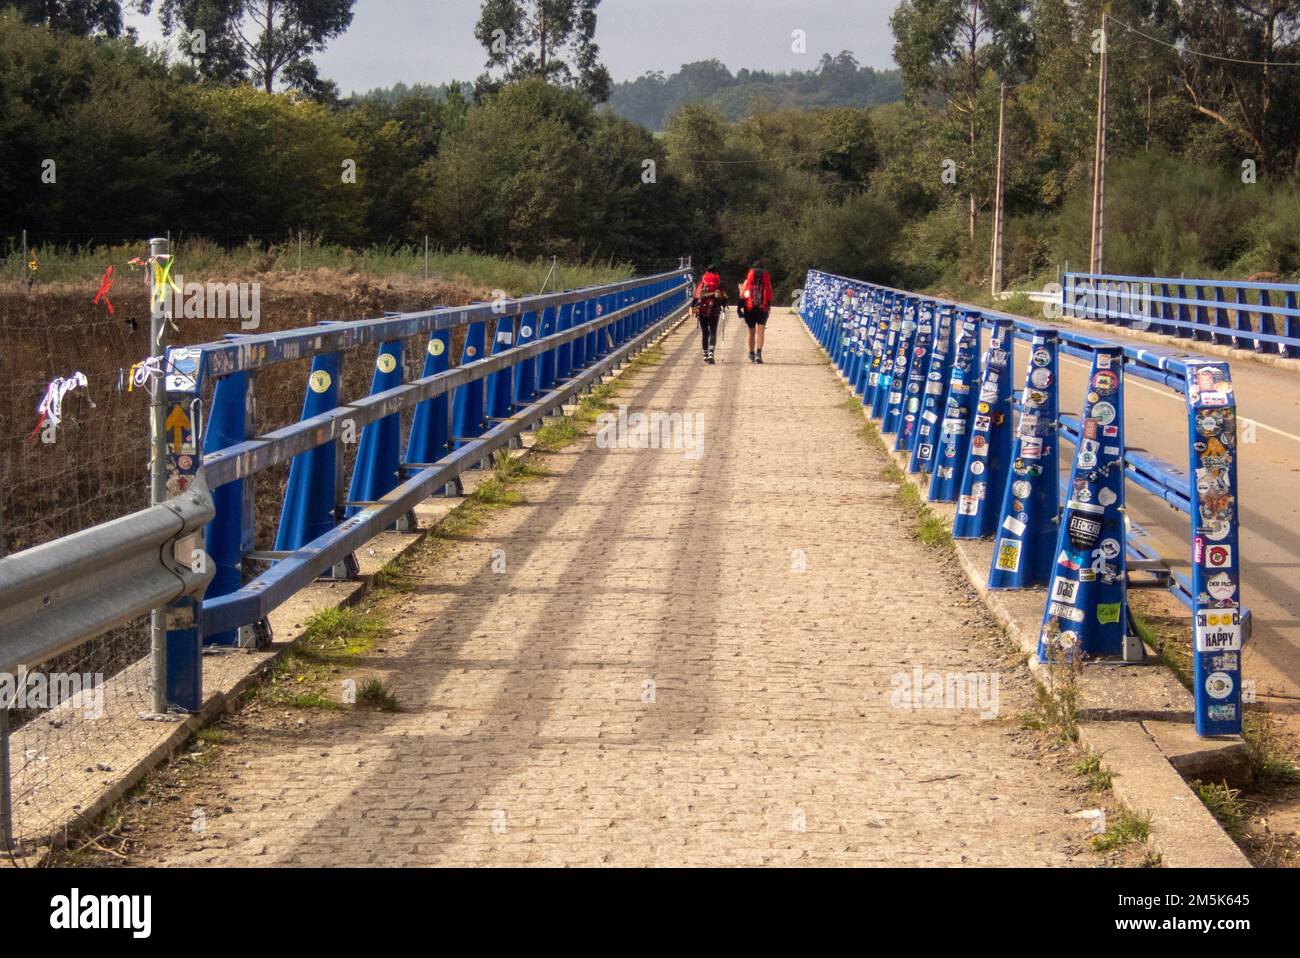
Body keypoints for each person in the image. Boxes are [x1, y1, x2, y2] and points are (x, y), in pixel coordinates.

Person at [692, 265, 727, 364]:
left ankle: (705, 354)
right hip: (714, 310)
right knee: (713, 332)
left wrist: (692, 307)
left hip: (702, 310)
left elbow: (696, 296)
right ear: (716, 272)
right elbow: (724, 297)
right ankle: (711, 353)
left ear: (707, 271)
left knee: (705, 332)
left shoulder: (703, 280)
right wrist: (724, 306)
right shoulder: (719, 282)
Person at [740, 259, 774, 364]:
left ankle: (751, 353)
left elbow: (743, 295)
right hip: (762, 307)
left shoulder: (748, 281)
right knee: (761, 331)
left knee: (751, 332)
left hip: (750, 308)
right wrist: (768, 307)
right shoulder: (766, 281)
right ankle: (759, 354)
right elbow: (770, 294)